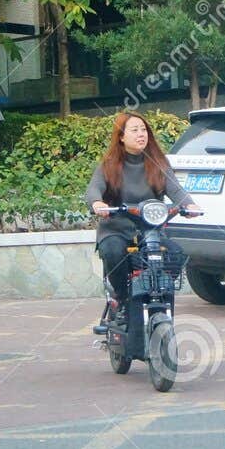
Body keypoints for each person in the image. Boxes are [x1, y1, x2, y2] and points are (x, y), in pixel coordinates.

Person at [87, 112, 201, 330]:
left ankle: (156, 294)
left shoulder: (157, 162)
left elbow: (175, 189)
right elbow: (94, 189)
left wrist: (189, 205)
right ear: (121, 136)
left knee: (176, 255)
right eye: (134, 130)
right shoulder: (109, 164)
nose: (141, 134)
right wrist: (97, 203)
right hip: (117, 229)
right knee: (113, 253)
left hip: (150, 231)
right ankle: (120, 300)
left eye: (144, 130)